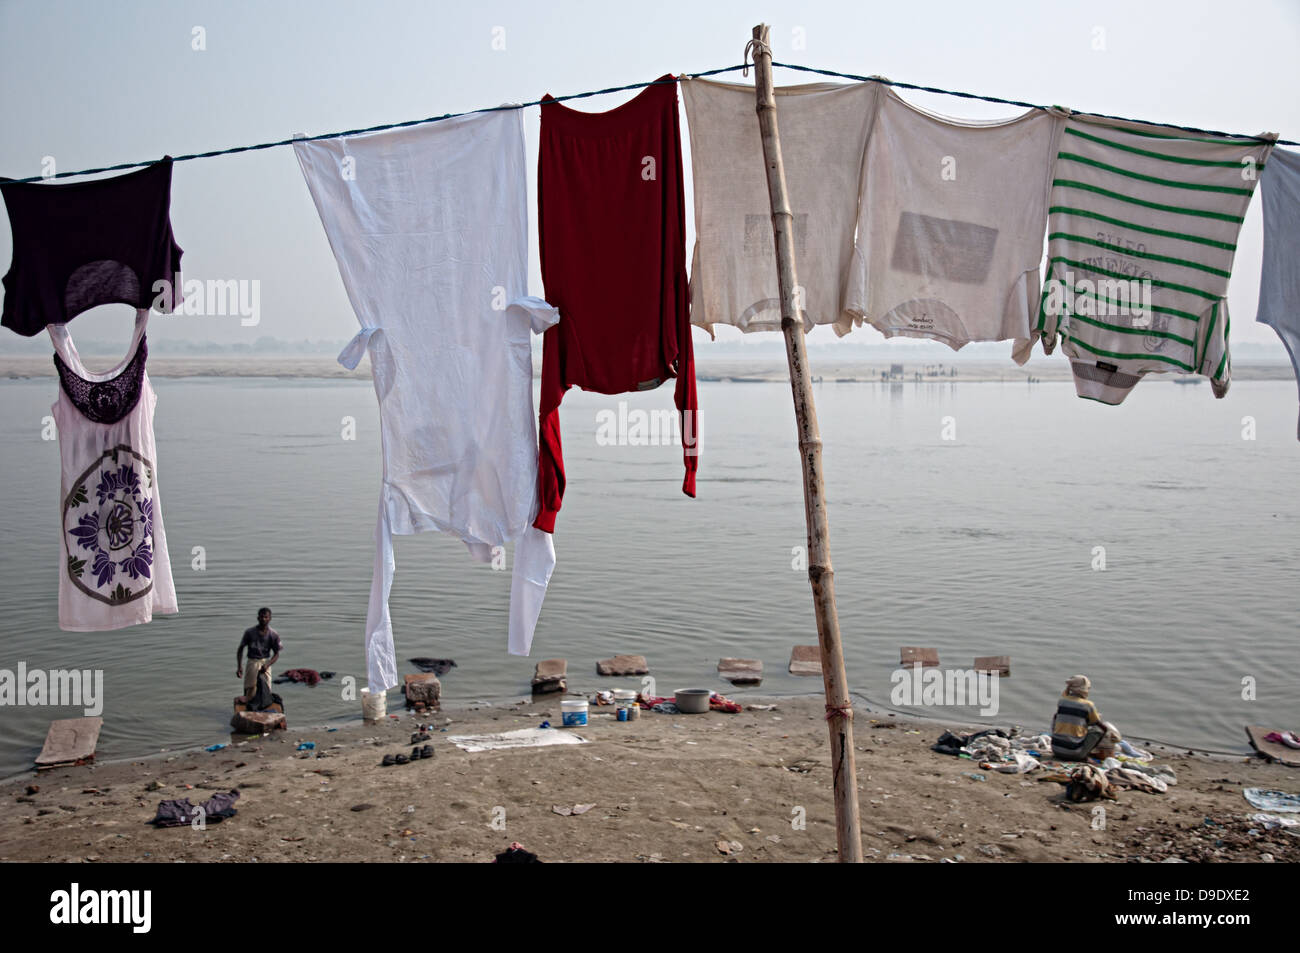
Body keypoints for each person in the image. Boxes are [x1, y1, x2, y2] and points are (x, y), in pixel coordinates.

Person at [1050, 675, 1120, 761]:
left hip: (1056, 750)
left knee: (1057, 719)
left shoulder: (1062, 701)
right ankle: (1085, 754)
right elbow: (1096, 723)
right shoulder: (1087, 705)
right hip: (1074, 753)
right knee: (1100, 729)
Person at [237, 608, 281, 704]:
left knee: (266, 688)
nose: (263, 619)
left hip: (265, 662)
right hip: (252, 662)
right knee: (250, 687)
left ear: (270, 619)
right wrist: (239, 666)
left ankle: (263, 706)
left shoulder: (273, 634)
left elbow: (277, 654)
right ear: (258, 618)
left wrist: (267, 664)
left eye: (266, 617)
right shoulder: (249, 632)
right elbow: (240, 649)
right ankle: (248, 706)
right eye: (261, 617)